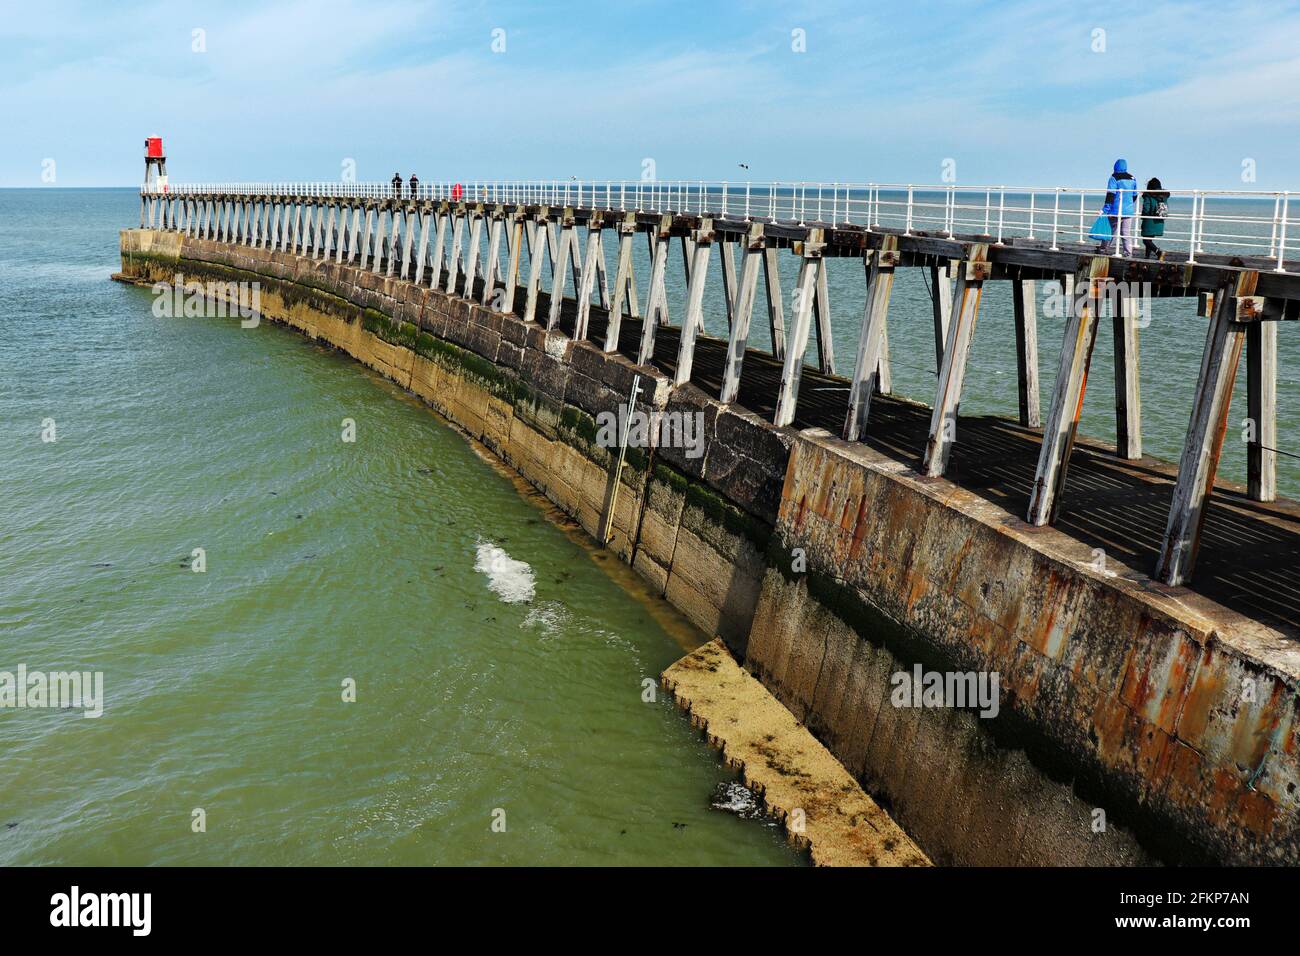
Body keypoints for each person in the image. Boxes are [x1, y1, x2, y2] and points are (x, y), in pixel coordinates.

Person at [1096, 159, 1138, 255]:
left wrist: (1105, 210)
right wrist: (1129, 205)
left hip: (1115, 210)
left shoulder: (1114, 178)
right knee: (1126, 233)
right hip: (1128, 211)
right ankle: (1128, 253)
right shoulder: (1132, 178)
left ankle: (1103, 249)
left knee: (1110, 231)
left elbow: (1110, 195)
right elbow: (1134, 195)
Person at [1140, 177, 1169, 259]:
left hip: (1149, 221)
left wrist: (1143, 216)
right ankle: (1147, 256)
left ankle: (1159, 252)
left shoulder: (1148, 196)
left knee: (1145, 240)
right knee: (1149, 240)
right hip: (1159, 220)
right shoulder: (1163, 196)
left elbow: (1146, 209)